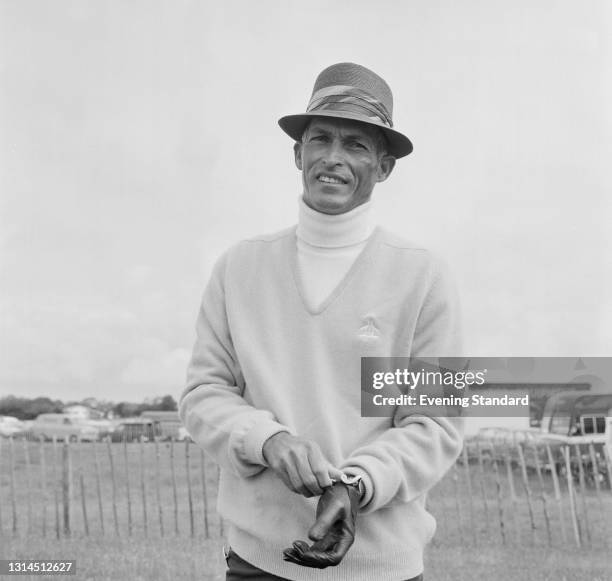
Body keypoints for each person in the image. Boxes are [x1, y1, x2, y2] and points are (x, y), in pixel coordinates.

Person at [179, 62, 463, 581]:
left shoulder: (421, 275)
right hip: (259, 561)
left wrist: (354, 484)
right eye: (321, 139)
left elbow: (433, 426)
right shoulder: (240, 267)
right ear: (297, 153)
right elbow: (203, 394)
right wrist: (268, 439)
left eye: (356, 145)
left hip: (382, 566)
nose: (334, 158)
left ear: (384, 166)